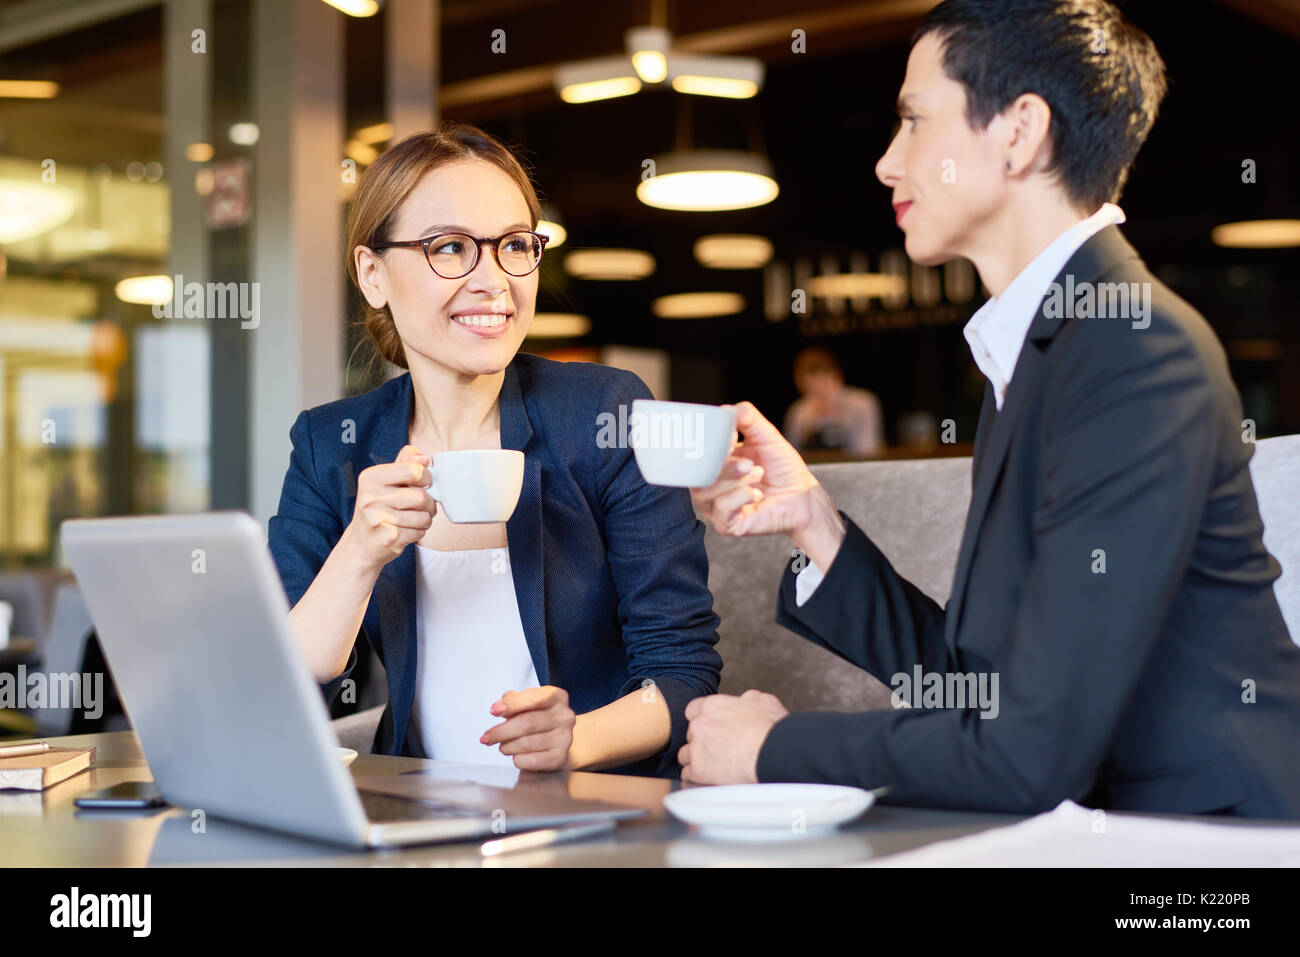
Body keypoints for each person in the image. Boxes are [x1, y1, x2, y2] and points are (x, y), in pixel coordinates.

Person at [680, 0, 1300, 816]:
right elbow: (980, 696)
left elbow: (1028, 752)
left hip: (1214, 853)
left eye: (912, 121)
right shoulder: (1044, 348)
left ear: (1018, 132)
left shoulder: (1135, 350)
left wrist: (769, 752)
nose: (886, 164)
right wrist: (815, 524)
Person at [268, 123, 721, 776]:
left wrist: (576, 740)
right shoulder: (330, 444)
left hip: (594, 812)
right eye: (450, 247)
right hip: (417, 818)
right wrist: (360, 551)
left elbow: (683, 672)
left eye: (514, 245)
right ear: (373, 273)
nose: (494, 280)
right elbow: (290, 671)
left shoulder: (603, 412)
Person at [783, 347, 883, 456]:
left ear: (837, 377)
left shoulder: (862, 403)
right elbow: (791, 454)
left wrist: (838, 416)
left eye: (823, 384)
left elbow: (867, 449)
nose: (820, 392)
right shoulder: (799, 412)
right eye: (812, 389)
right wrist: (811, 422)